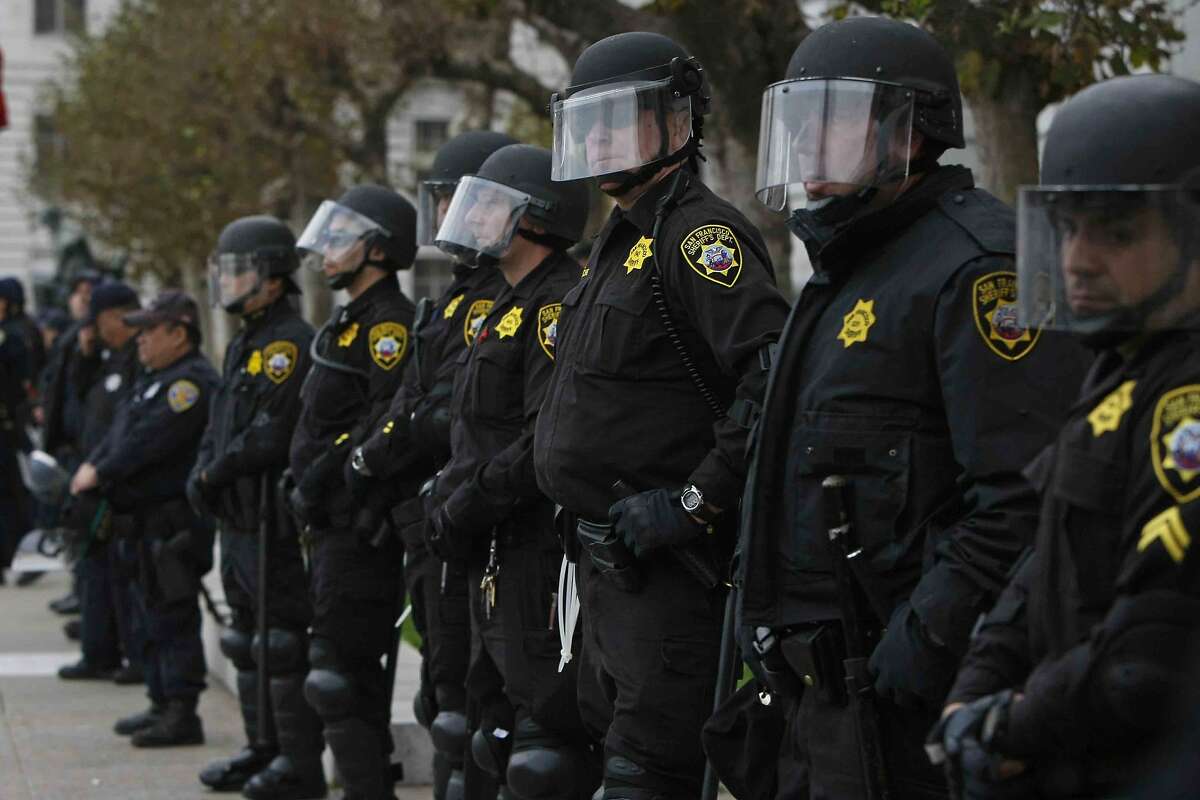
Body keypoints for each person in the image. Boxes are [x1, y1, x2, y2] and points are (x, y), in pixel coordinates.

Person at [735, 16, 1090, 799]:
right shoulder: (843, 267)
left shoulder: (986, 264)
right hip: (814, 701)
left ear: (911, 128)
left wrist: (922, 646)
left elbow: (1024, 494)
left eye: (832, 121)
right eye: (799, 123)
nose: (804, 147)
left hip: (904, 701)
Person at [533, 31, 791, 798]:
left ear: (678, 122)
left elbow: (770, 376)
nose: (601, 139)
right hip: (602, 568)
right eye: (591, 122)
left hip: (668, 575)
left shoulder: (699, 235)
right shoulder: (614, 242)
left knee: (647, 778)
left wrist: (695, 501)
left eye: (623, 119)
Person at [929, 74, 1200, 799]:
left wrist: (1013, 724)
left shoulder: (1186, 399)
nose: (1078, 260)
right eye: (1069, 228)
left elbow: (1149, 651)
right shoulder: (1123, 365)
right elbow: (1042, 561)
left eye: (1116, 232)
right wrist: (974, 694)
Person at [423, 144, 595, 798]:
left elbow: (538, 437)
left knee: (539, 745)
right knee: (482, 728)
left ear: (532, 216)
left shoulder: (554, 305)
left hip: (527, 550)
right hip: (482, 547)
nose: (473, 215)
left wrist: (469, 504)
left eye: (489, 203)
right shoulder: (504, 301)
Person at [349, 129, 515, 799]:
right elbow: (413, 399)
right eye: (442, 200)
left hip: (474, 520)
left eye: (458, 199)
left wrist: (385, 445)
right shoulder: (456, 295)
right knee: (440, 695)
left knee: (464, 707)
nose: (447, 215)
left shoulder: (493, 300)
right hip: (431, 521)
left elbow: (444, 413)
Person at [289, 185, 418, 800]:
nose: (327, 252)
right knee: (343, 677)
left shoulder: (388, 321)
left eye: (342, 239)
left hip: (358, 526)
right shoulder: (347, 320)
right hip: (328, 523)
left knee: (338, 677)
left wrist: (326, 472)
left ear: (378, 248)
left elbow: (384, 415)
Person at [191, 216, 324, 799]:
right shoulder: (245, 339)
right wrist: (203, 470)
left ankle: (298, 764)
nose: (229, 281)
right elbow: (223, 423)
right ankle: (261, 746)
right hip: (239, 518)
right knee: (245, 638)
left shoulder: (287, 343)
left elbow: (270, 433)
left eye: (240, 270)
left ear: (273, 279)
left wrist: (216, 471)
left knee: (279, 641)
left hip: (273, 521)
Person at [70, 289, 219, 747]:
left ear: (179, 333)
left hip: (172, 521)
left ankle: (181, 710)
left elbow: (148, 442)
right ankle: (160, 699)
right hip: (141, 520)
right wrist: (94, 465)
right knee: (147, 614)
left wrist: (101, 471)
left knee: (172, 615)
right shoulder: (154, 377)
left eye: (150, 329)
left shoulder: (188, 383)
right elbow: (119, 433)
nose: (140, 339)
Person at [57, 282, 142, 681]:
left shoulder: (137, 358)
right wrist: (87, 355)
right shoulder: (107, 357)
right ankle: (100, 651)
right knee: (96, 573)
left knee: (123, 580)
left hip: (117, 482)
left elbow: (129, 428)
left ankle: (129, 658)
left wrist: (105, 469)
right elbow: (79, 397)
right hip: (95, 475)